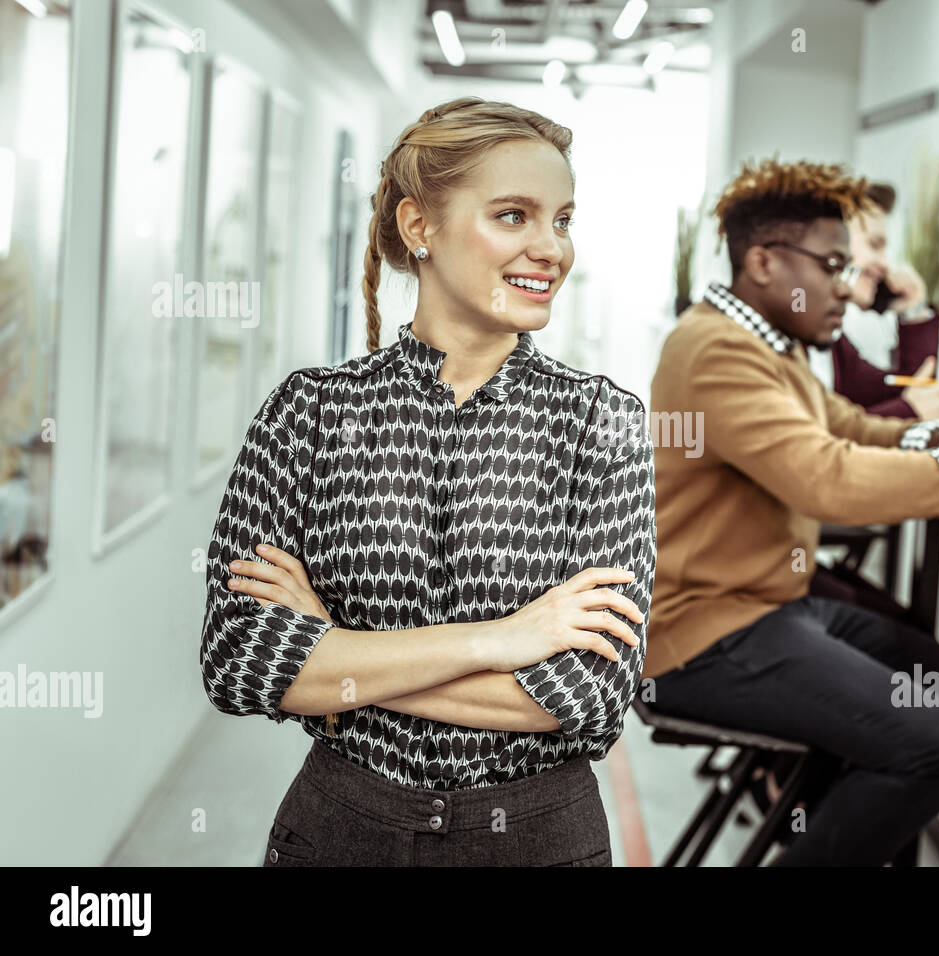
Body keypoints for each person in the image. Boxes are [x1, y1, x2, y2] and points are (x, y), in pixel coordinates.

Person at [199, 97, 656, 867]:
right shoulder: (308, 412)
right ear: (421, 229)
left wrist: (337, 659)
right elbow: (237, 658)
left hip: (540, 839)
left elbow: (590, 695)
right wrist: (503, 640)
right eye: (514, 215)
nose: (552, 248)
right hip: (340, 833)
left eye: (564, 220)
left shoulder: (602, 421)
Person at [646, 155, 939, 865]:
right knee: (935, 750)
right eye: (831, 265)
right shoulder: (716, 351)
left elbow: (850, 427)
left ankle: (810, 832)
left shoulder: (774, 346)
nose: (848, 288)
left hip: (768, 605)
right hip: (705, 635)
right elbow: (827, 478)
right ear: (763, 262)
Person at [806, 181, 939, 422]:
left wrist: (914, 308)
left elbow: (905, 390)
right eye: (874, 244)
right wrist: (911, 412)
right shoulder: (787, 338)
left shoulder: (833, 342)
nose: (885, 264)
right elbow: (818, 442)